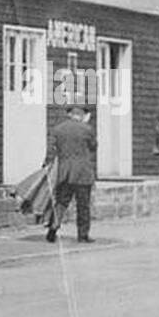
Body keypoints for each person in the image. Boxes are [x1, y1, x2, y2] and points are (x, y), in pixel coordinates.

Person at [46, 104, 97, 243]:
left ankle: (53, 228)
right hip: (82, 173)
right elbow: (93, 147)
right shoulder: (87, 129)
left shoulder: (58, 129)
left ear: (69, 114)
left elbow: (51, 150)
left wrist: (46, 163)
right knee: (83, 205)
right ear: (82, 115)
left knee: (61, 202)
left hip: (65, 173)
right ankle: (83, 235)